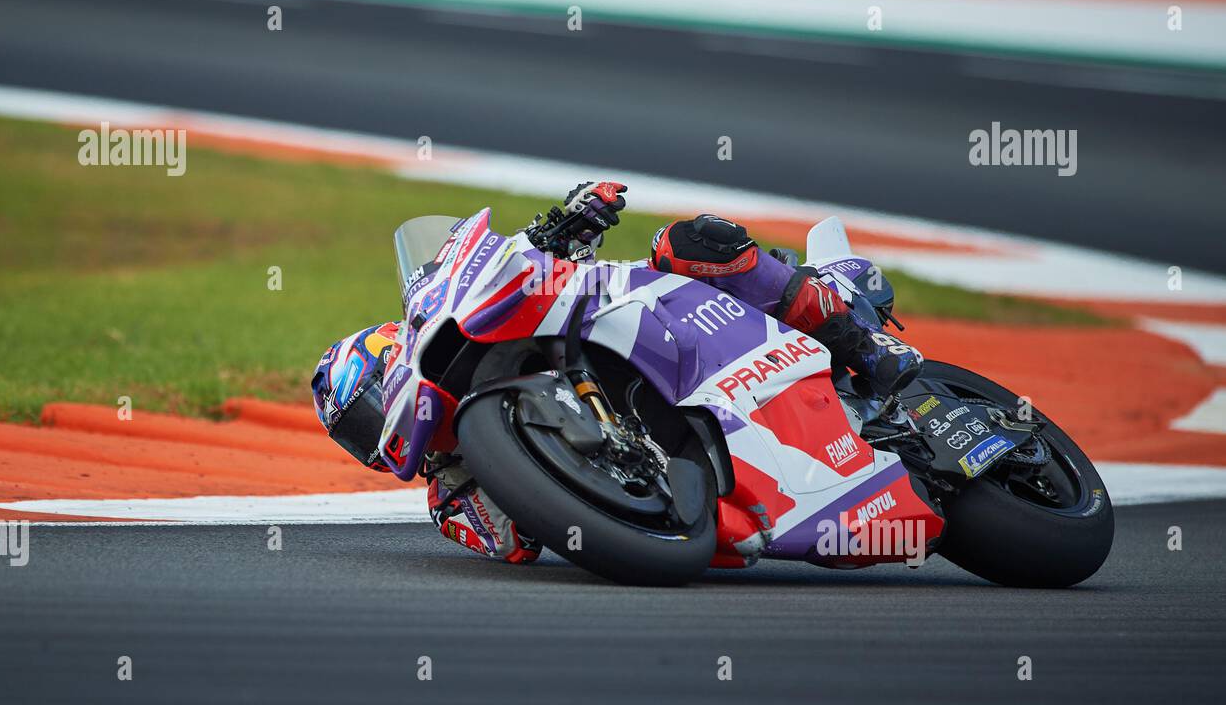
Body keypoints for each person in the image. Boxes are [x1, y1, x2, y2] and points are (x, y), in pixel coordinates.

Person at [311, 182, 922, 564]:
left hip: (654, 319)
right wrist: (488, 477)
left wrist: (570, 221)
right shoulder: (450, 500)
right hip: (690, 504)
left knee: (689, 240)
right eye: (355, 432)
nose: (369, 433)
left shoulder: (476, 320)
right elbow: (513, 546)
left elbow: (512, 267)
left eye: (364, 406)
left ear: (393, 353)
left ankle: (859, 343)